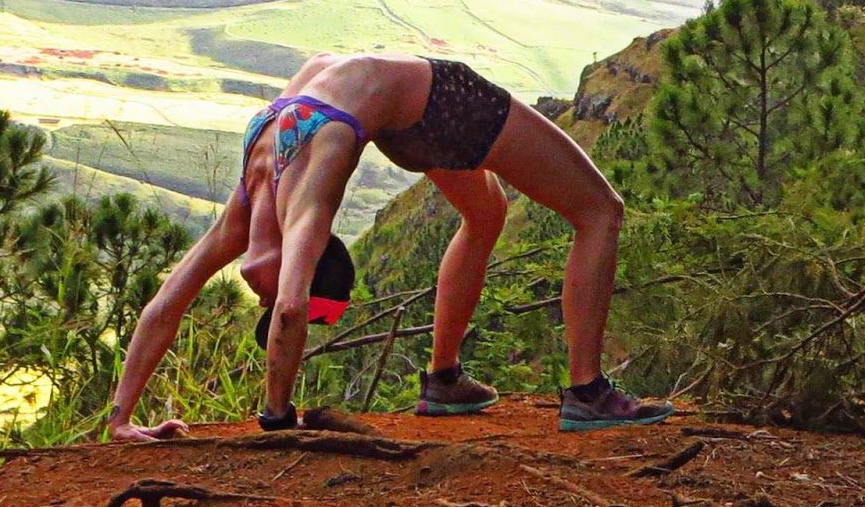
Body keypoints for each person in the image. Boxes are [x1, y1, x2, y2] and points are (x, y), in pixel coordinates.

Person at [104, 52, 672, 442]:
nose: (262, 302)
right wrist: (122, 418)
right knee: (581, 212)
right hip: (396, 110)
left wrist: (276, 416)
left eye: (262, 300)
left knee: (554, 210)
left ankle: (526, 387)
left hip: (446, 99)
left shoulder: (285, 208)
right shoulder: (251, 215)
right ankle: (521, 388)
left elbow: (289, 308)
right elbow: (172, 303)